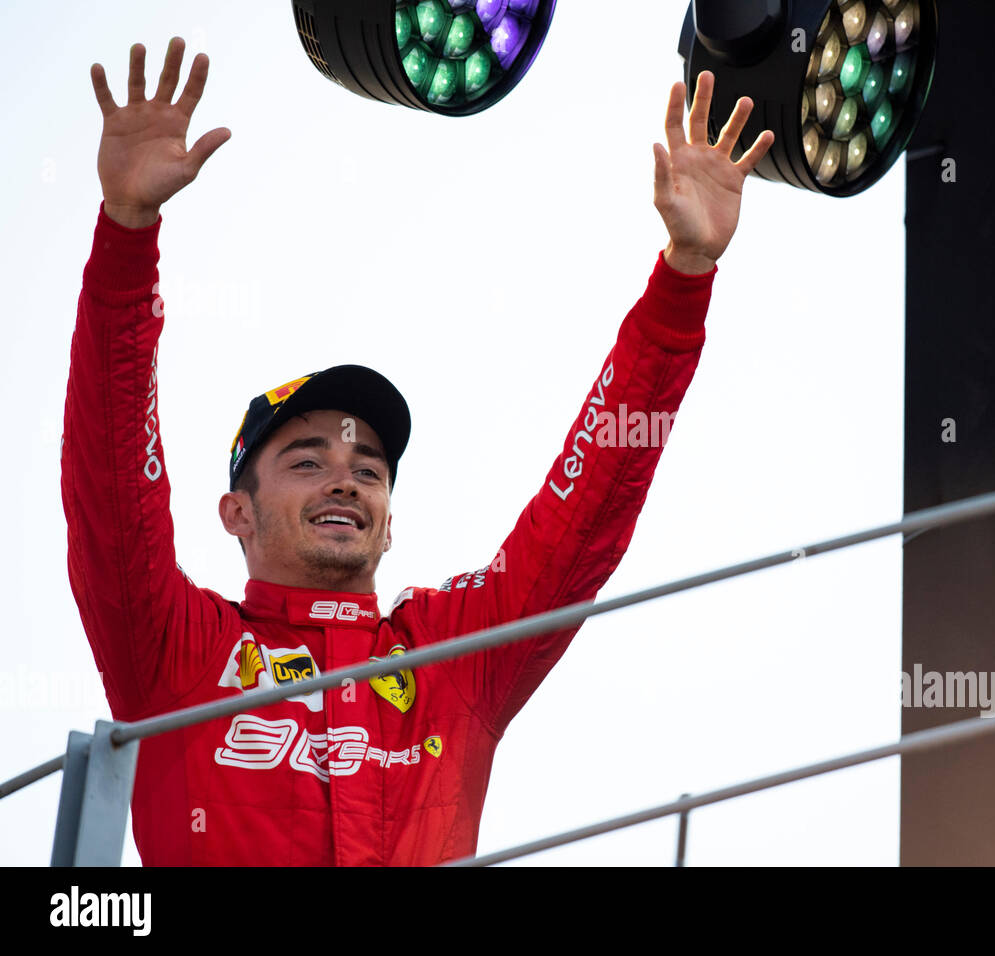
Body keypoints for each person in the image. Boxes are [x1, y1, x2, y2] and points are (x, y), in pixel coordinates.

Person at [62, 36, 773, 866]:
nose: (345, 482)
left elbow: (583, 515)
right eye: (306, 461)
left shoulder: (449, 657)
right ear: (237, 513)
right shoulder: (176, 647)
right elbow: (110, 480)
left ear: (390, 524)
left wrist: (684, 277)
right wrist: (126, 234)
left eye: (368, 471)